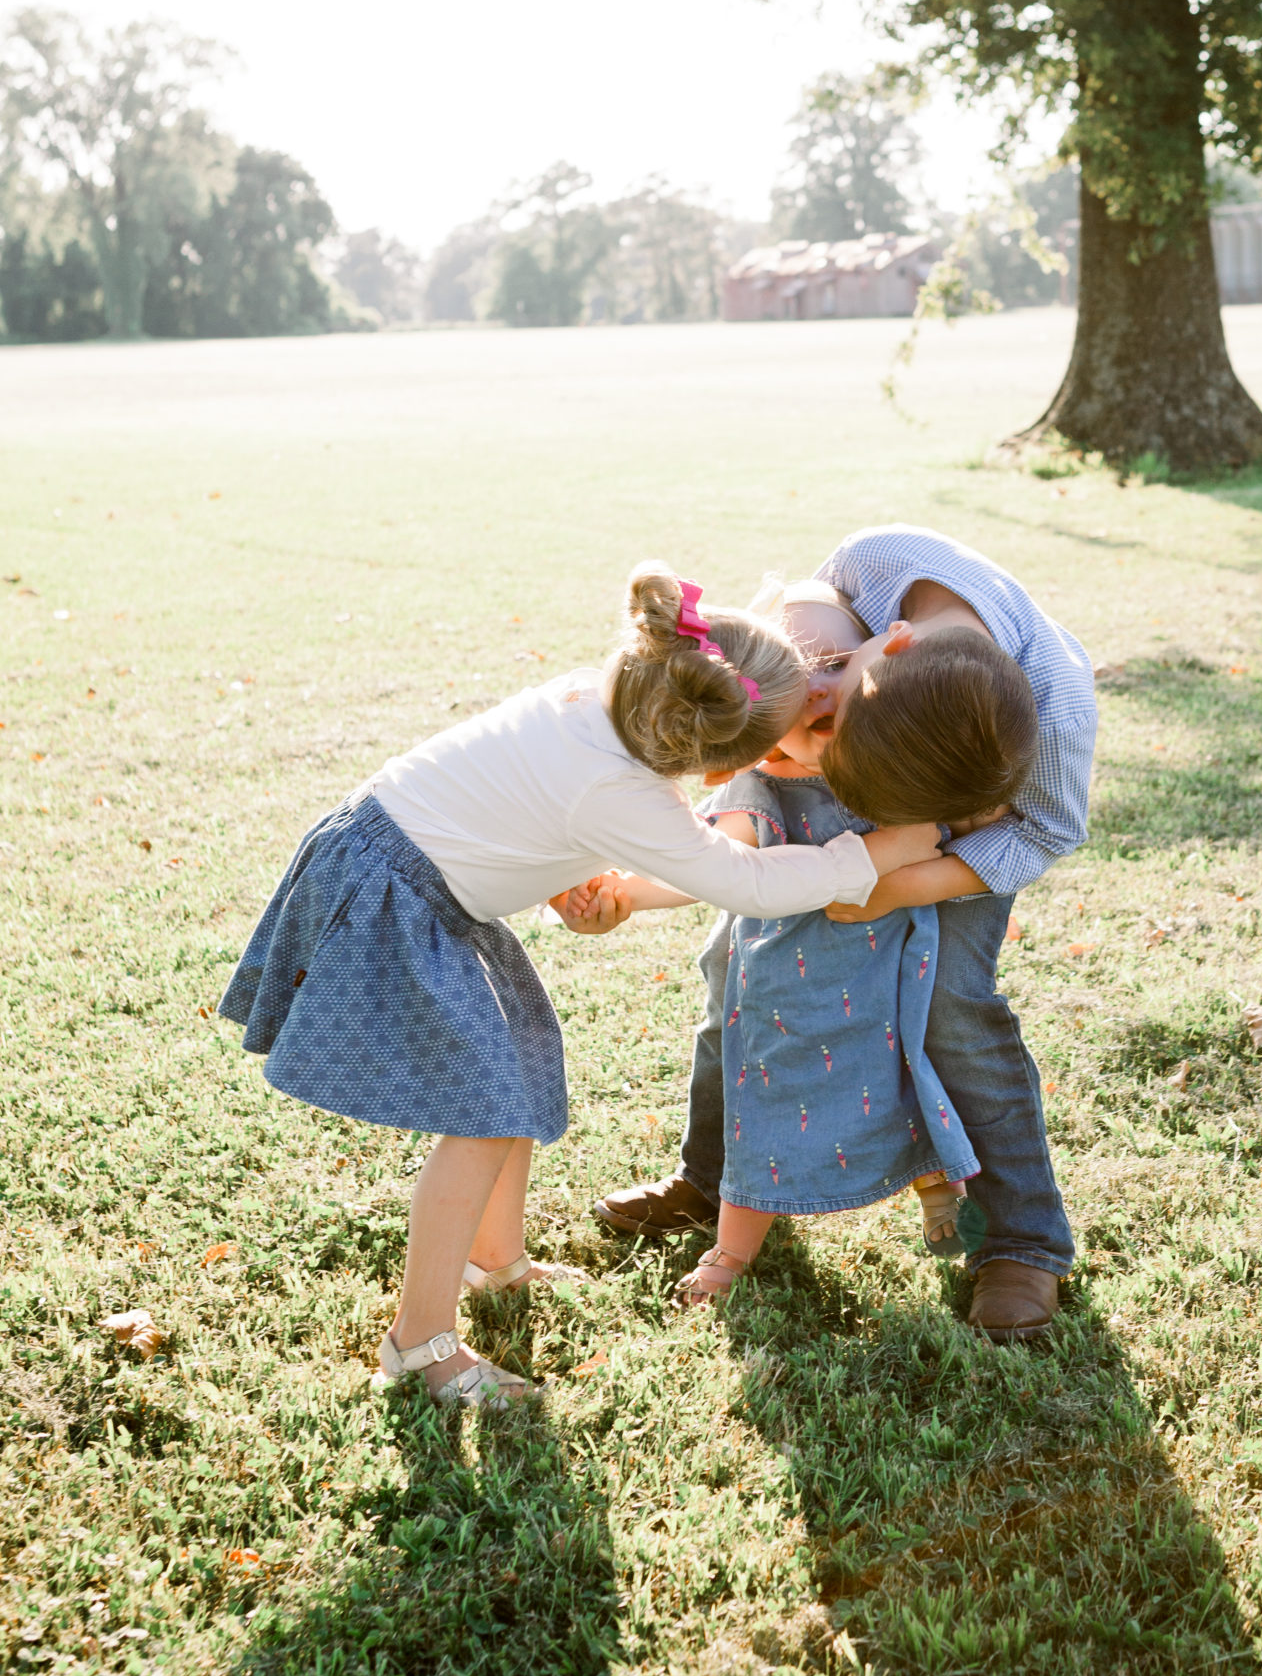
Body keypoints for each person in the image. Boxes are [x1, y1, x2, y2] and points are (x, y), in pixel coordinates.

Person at [217, 564, 938, 1409]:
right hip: (398, 899)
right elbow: (747, 882)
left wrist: (567, 876)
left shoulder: (589, 697)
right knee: (482, 1113)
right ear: (719, 773)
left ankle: (496, 1263)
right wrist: (871, 854)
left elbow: (517, 797)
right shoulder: (624, 793)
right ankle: (419, 1345)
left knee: (514, 1069)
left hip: (392, 863)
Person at [585, 530, 1098, 1342]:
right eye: (827, 675)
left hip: (960, 842)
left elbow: (1041, 834)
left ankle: (1021, 1241)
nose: (815, 691)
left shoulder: (1053, 714)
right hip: (819, 789)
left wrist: (890, 885)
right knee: (735, 969)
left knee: (949, 1008)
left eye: (828, 687)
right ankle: (711, 1178)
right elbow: (790, 641)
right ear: (887, 643)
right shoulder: (875, 560)